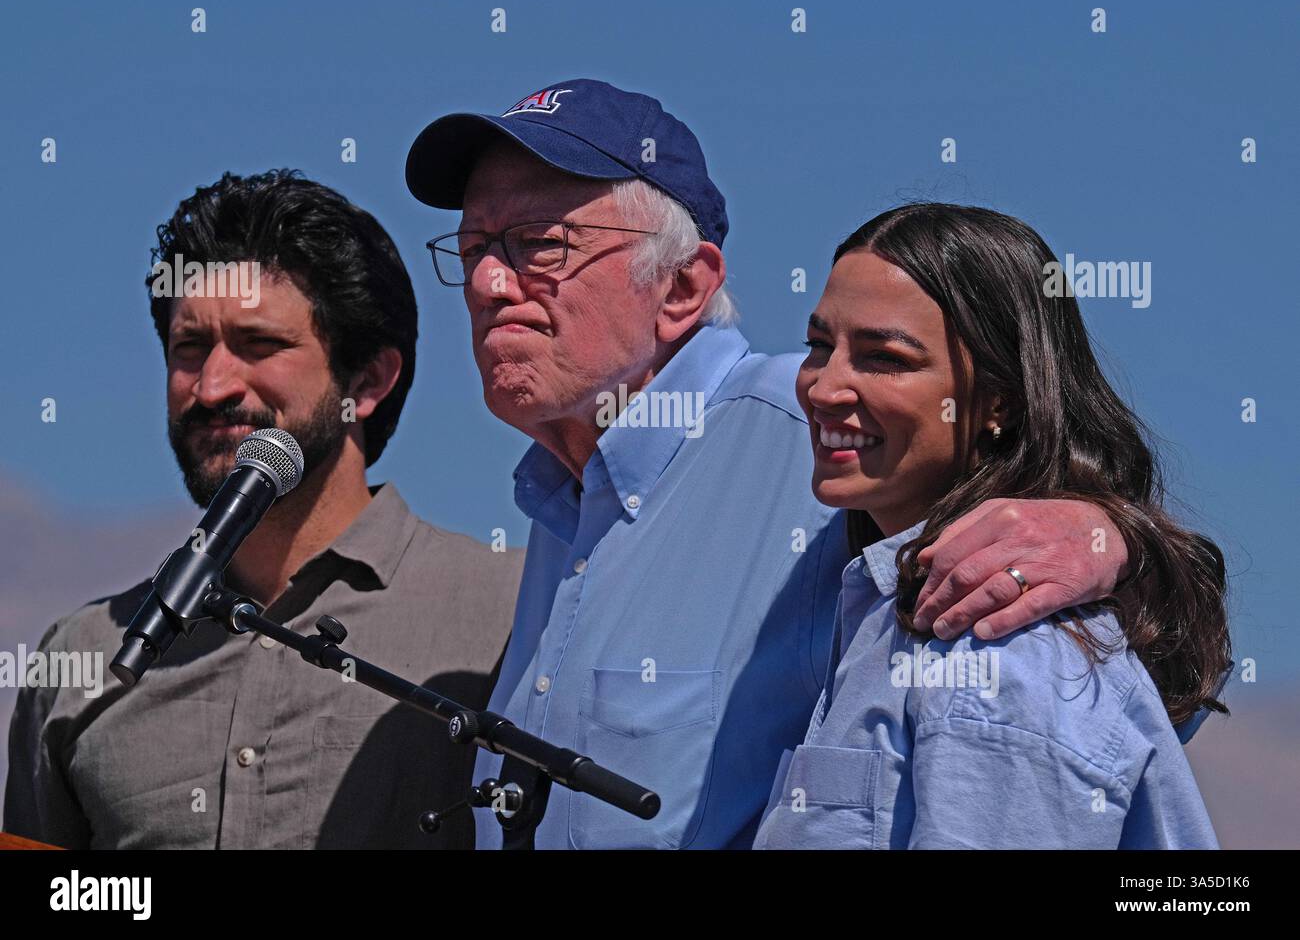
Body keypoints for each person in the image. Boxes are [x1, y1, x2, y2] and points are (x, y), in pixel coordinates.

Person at [403, 79, 1161, 849]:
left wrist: (1105, 536)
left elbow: (1106, 696)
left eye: (540, 245)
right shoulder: (560, 498)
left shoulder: (822, 441)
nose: (488, 284)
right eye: (474, 248)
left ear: (682, 286)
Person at [3, 170, 523, 848]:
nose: (213, 385)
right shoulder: (83, 656)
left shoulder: (510, 618)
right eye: (190, 349)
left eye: (260, 346)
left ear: (366, 381)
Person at [752, 204, 1231, 849]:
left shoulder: (994, 642)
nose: (822, 386)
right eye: (819, 346)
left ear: (997, 401)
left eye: (884, 357)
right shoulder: (883, 600)